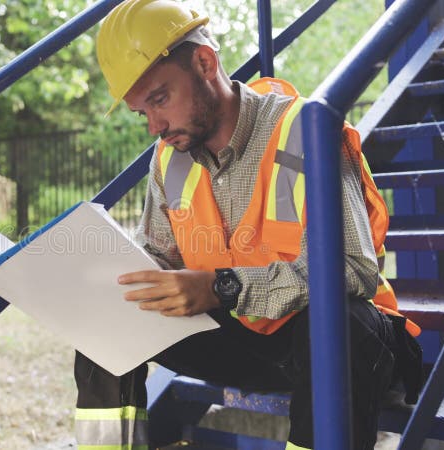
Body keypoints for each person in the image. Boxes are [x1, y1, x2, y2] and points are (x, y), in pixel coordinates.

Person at [74, 0, 423, 449]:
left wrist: (221, 287)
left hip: (343, 344)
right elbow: (159, 258)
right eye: (143, 112)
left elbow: (353, 270)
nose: (154, 126)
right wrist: (105, 280)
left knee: (341, 323)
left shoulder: (306, 131)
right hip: (248, 338)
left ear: (204, 62)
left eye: (159, 99)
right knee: (103, 321)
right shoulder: (169, 158)